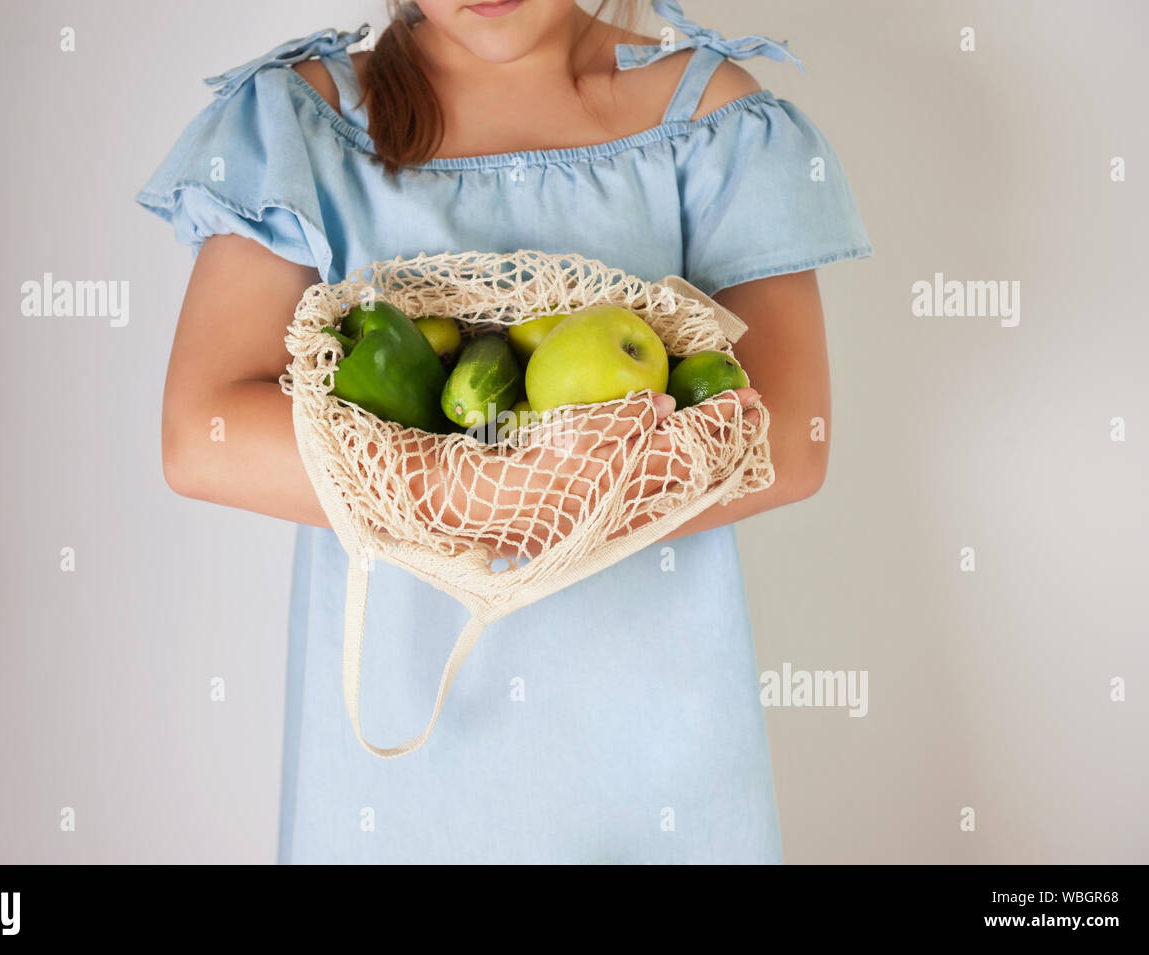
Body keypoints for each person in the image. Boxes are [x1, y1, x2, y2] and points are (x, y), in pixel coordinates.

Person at [137, 0, 872, 863]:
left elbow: (791, 439)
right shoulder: (305, 120)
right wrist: (478, 491)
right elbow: (203, 430)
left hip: (652, 734)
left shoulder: (709, 118)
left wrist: (562, 497)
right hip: (407, 745)